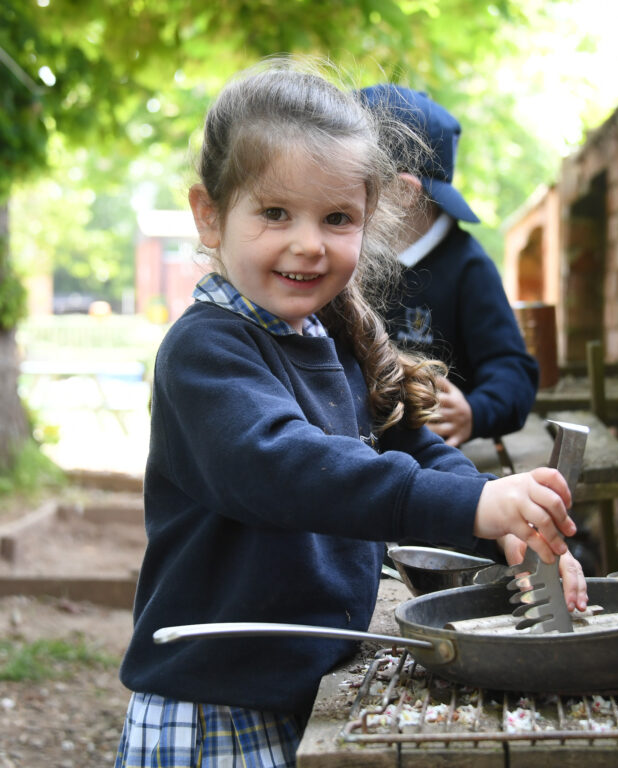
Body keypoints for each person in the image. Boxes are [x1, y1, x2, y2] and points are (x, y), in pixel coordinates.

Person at [114, 59, 587, 768]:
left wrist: (506, 523)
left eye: (337, 219)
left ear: (370, 221)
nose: (309, 243)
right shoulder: (205, 351)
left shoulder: (327, 338)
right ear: (209, 214)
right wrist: (474, 507)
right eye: (275, 213)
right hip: (218, 708)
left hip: (304, 685)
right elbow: (288, 467)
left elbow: (411, 446)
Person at [359, 84, 539, 447]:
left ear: (402, 192)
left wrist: (477, 411)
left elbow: (512, 369)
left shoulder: (468, 268)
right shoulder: (350, 258)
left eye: (355, 180)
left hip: (433, 455)